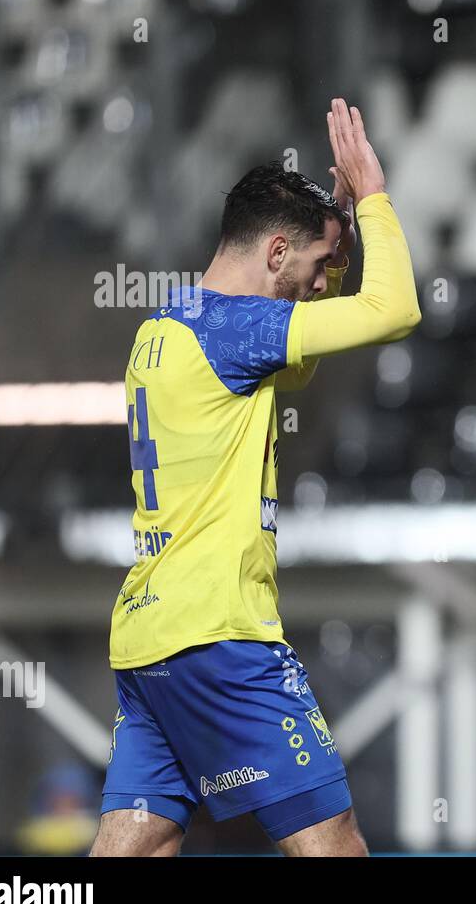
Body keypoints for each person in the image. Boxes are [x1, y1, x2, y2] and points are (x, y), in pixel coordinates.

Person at [91, 99, 419, 856]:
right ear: (275, 252)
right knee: (331, 838)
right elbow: (397, 309)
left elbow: (296, 366)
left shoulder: (166, 328)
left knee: (131, 846)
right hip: (222, 636)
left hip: (148, 637)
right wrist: (372, 198)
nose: (317, 288)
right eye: (311, 272)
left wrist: (331, 254)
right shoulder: (240, 331)